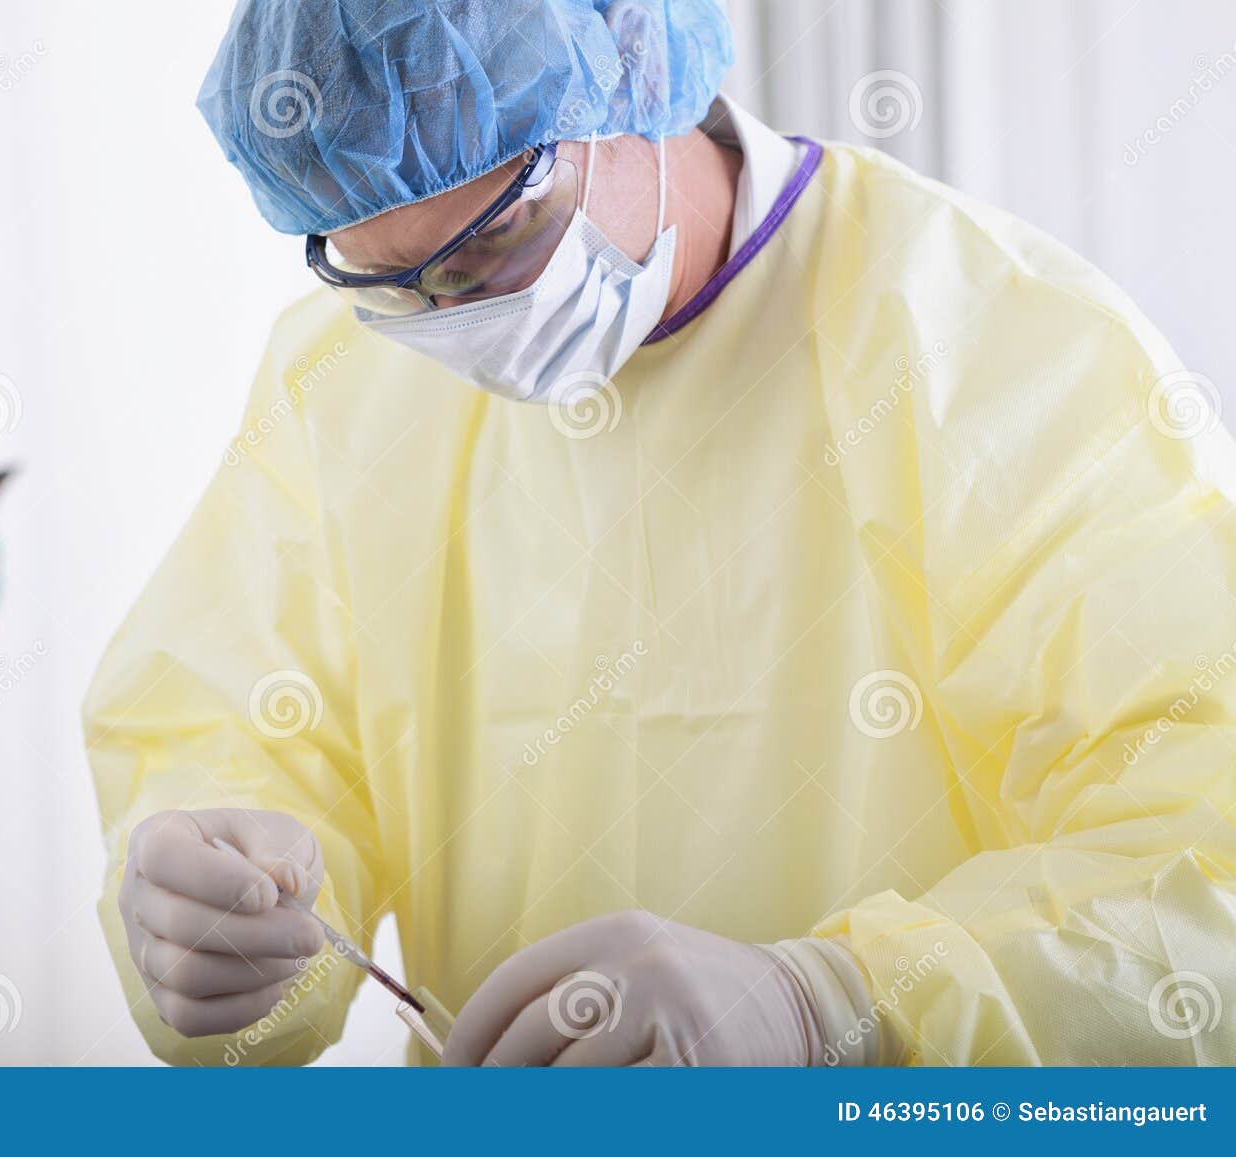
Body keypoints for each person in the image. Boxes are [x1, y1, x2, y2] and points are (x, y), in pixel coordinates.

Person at [86, 0, 1236, 1066]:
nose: (460, 320)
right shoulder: (339, 377)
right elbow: (233, 726)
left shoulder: (989, 342)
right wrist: (218, 910)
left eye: (492, 243)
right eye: (394, 279)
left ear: (627, 71)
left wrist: (837, 1004)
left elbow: (1201, 876)